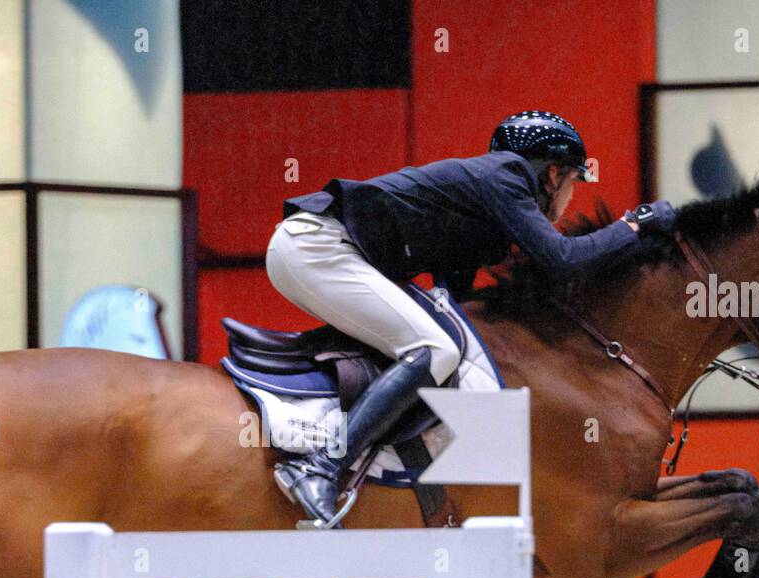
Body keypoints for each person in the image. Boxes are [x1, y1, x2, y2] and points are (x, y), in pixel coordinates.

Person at [267, 110, 675, 525]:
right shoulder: (506, 176)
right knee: (433, 349)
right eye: (572, 181)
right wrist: (634, 225)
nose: (572, 196)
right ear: (552, 176)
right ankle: (319, 466)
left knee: (445, 347)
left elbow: (459, 300)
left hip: (323, 250)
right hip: (319, 249)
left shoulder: (484, 203)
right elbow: (562, 258)